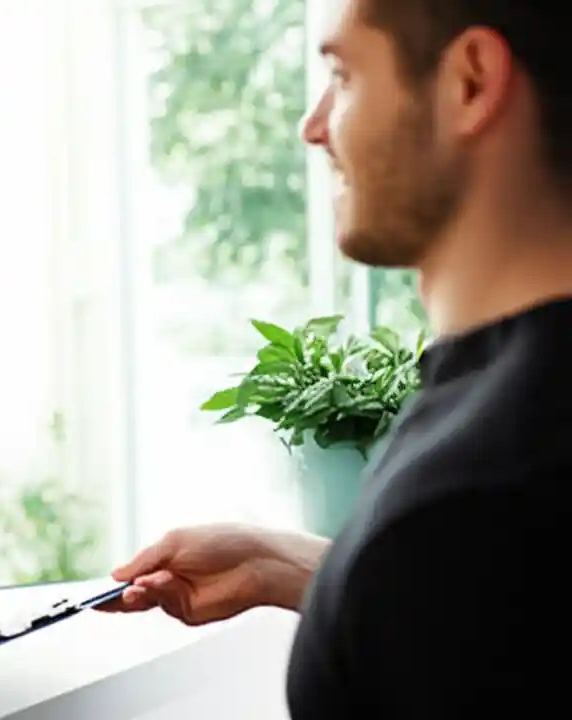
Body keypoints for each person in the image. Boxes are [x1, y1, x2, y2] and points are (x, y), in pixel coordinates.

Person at [102, 0, 568, 717]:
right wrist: (287, 564)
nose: (313, 125)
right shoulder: (499, 451)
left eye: (344, 75)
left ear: (470, 82)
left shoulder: (474, 498)